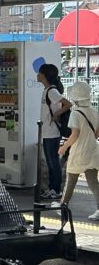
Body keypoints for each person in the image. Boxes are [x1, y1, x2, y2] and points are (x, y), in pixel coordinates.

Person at [58, 81, 99, 218]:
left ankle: (63, 206)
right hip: (92, 151)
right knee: (93, 182)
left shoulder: (75, 114)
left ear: (75, 98)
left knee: (70, 181)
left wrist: (64, 146)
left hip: (78, 152)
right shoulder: (94, 112)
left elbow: (75, 134)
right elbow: (97, 134)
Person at [37, 63, 71, 199]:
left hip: (52, 133)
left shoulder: (52, 91)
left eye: (40, 73)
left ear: (44, 76)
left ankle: (55, 190)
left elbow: (68, 104)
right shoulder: (47, 90)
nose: (38, 75)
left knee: (53, 163)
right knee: (51, 162)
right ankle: (52, 188)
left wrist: (57, 114)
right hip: (47, 132)